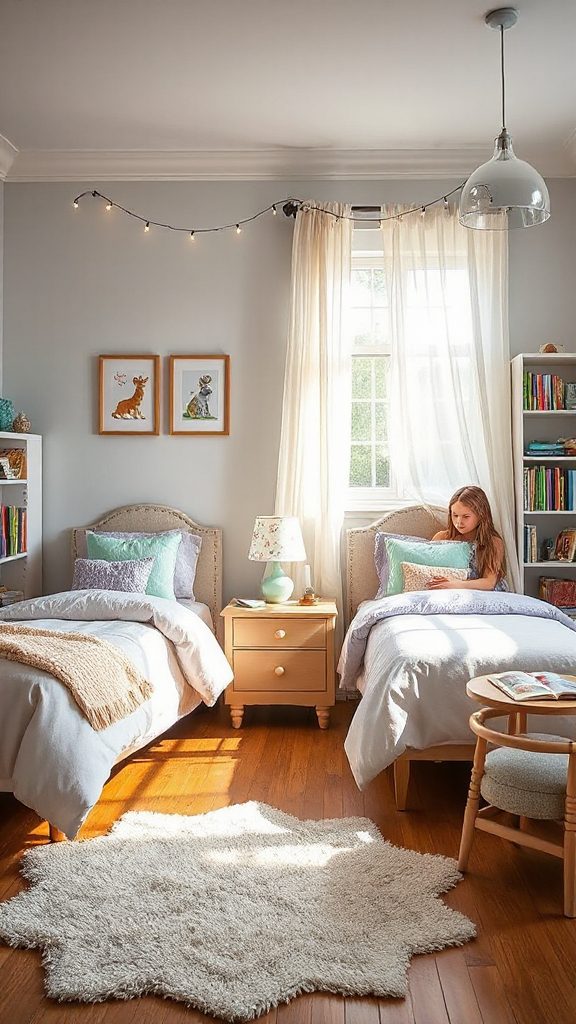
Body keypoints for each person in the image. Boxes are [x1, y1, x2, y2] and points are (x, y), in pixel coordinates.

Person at [429, 485, 507, 591]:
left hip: (484, 594)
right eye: (455, 515)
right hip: (448, 593)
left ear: (481, 515)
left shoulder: (493, 542)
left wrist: (455, 585)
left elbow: (489, 583)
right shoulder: (441, 538)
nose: (459, 522)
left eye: (466, 517)